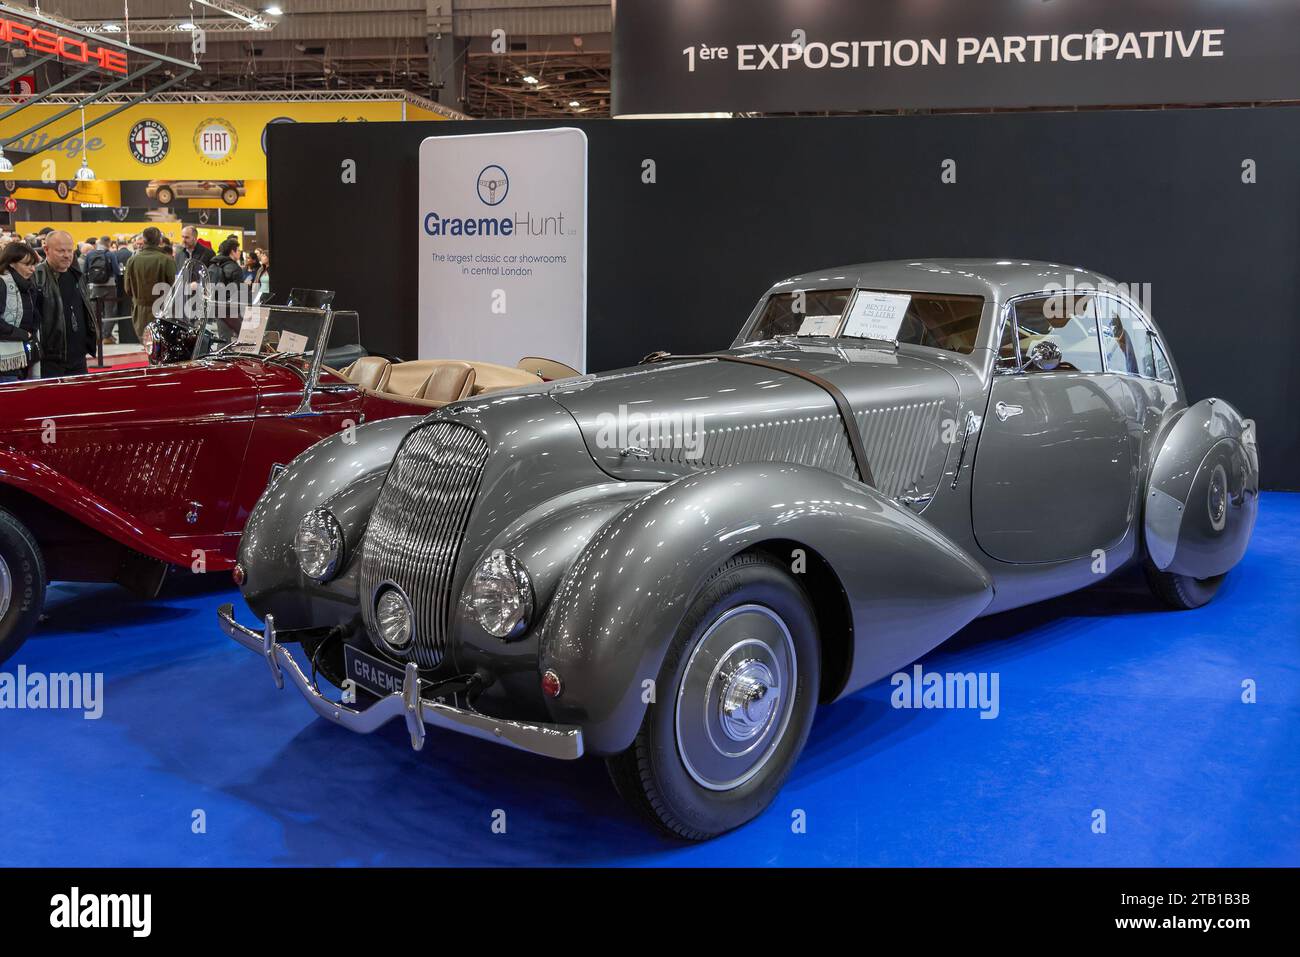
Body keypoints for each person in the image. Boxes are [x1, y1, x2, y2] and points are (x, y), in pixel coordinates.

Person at [33, 230, 98, 378]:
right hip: (50, 360)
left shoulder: (77, 275)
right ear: (46, 250)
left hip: (79, 357)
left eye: (70, 250)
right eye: (61, 251)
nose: (67, 255)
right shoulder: (37, 277)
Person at [123, 226, 177, 341]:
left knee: (148, 345)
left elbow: (127, 289)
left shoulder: (132, 260)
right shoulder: (166, 260)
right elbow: (175, 288)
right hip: (162, 311)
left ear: (144, 240)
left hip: (139, 311)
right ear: (160, 241)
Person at [0, 241, 42, 382]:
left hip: (23, 356)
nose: (32, 269)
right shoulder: (2, 284)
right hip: (5, 360)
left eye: (33, 264)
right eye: (27, 264)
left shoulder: (29, 286)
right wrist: (24, 334)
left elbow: (34, 317)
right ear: (11, 263)